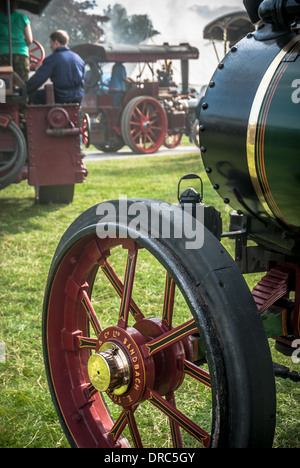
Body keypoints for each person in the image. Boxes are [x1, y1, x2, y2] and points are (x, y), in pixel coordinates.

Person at [26, 30, 85, 105]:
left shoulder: (53, 59)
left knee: (37, 95)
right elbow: (83, 81)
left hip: (61, 97)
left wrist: (24, 90)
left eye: (51, 43)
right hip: (78, 98)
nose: (50, 46)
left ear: (56, 42)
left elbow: (39, 79)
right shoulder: (78, 58)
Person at [0, 0, 33, 82]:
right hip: (21, 54)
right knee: (22, 84)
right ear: (15, 4)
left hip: (2, 54)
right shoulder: (22, 17)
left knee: (4, 86)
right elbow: (29, 40)